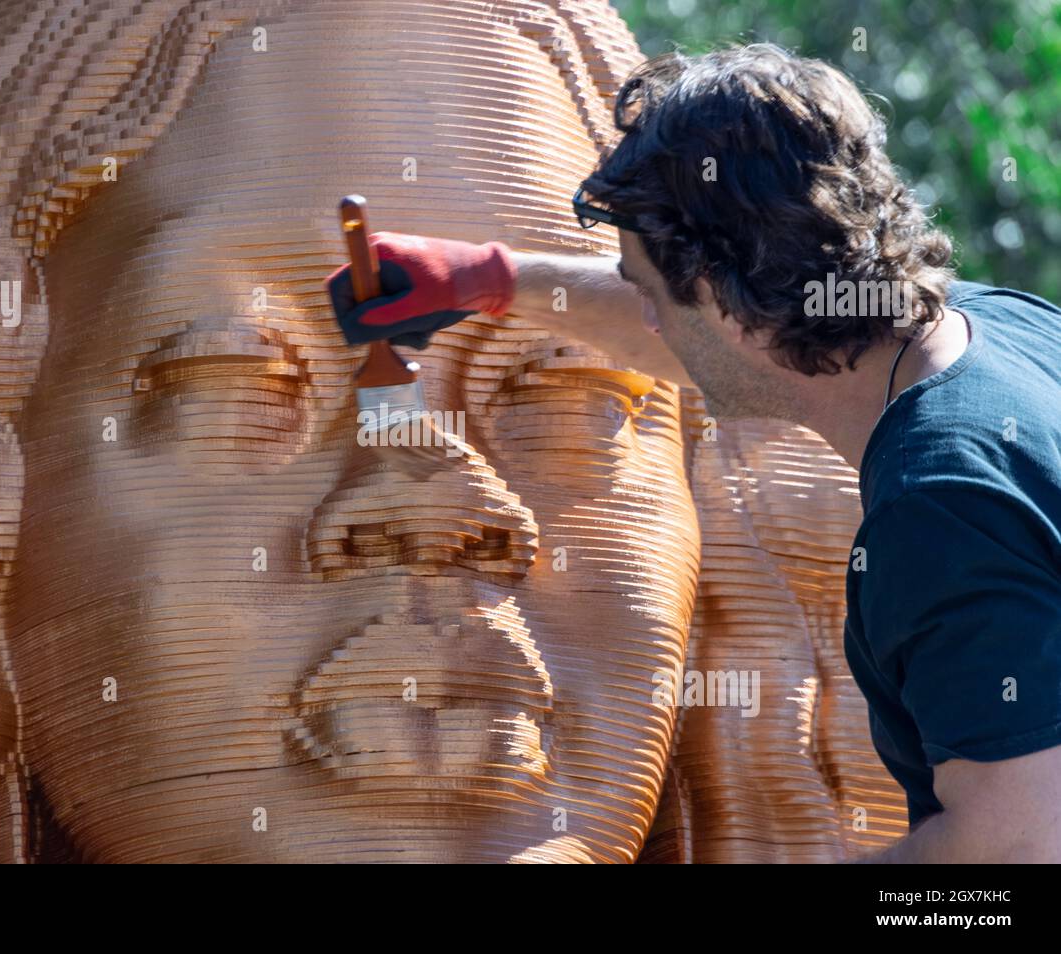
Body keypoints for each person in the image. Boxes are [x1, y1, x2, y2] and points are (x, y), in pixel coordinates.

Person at [327, 43, 1061, 863]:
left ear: (730, 312)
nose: (643, 323)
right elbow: (716, 339)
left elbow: (1010, 859)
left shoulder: (938, 510)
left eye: (647, 296)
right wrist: (487, 278)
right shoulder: (998, 329)